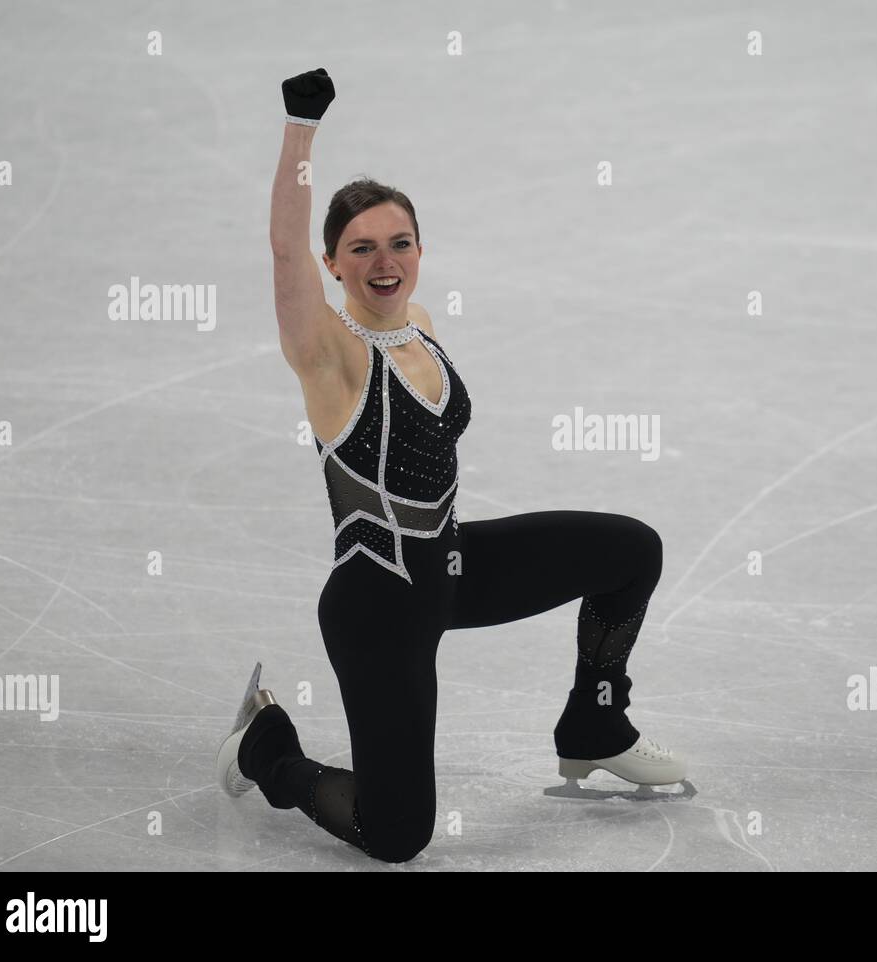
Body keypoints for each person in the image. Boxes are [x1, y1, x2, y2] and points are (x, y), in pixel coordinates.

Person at [214, 67, 686, 864]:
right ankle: (264, 748)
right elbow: (281, 246)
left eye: (399, 243)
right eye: (360, 249)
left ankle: (594, 725)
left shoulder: (420, 326)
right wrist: (301, 127)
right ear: (333, 264)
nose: (384, 261)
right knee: (397, 835)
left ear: (421, 249)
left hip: (453, 569)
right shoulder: (327, 353)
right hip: (379, 607)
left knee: (631, 550)